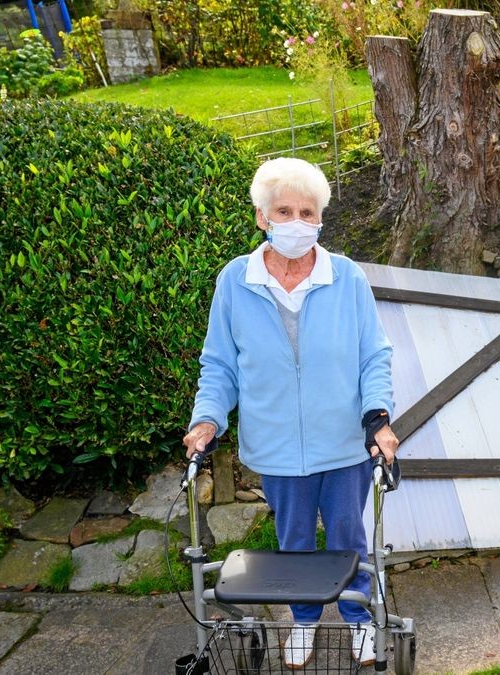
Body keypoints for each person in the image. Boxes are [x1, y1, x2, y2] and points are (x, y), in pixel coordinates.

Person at [182, 157, 398, 668]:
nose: (297, 222)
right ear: (262, 217)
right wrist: (207, 418)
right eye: (285, 210)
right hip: (276, 446)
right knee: (293, 541)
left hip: (344, 442)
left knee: (348, 536)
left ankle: (357, 619)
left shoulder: (347, 278)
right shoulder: (235, 281)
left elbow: (375, 356)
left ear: (321, 218)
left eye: (308, 211)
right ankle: (303, 620)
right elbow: (219, 364)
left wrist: (378, 418)